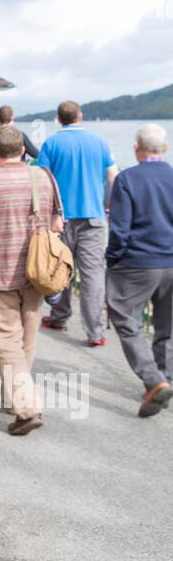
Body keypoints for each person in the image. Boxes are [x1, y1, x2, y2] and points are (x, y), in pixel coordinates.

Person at [0, 126, 64, 436]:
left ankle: (27, 407)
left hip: (1, 272)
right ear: (22, 150)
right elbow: (58, 223)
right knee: (25, 341)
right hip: (38, 273)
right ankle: (13, 399)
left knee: (6, 343)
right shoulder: (43, 177)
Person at [105, 123, 173, 417]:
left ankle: (154, 379)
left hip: (137, 262)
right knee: (167, 327)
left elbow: (120, 229)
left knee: (124, 317)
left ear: (136, 148)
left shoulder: (127, 179)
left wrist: (112, 259)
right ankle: (165, 379)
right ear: (166, 148)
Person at [36, 101, 118, 344]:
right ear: (80, 116)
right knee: (92, 274)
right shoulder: (100, 142)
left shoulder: (51, 143)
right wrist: (108, 205)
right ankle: (95, 332)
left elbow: (42, 180)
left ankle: (60, 317)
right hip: (94, 217)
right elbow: (113, 176)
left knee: (61, 269)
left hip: (60, 218)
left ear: (58, 119)